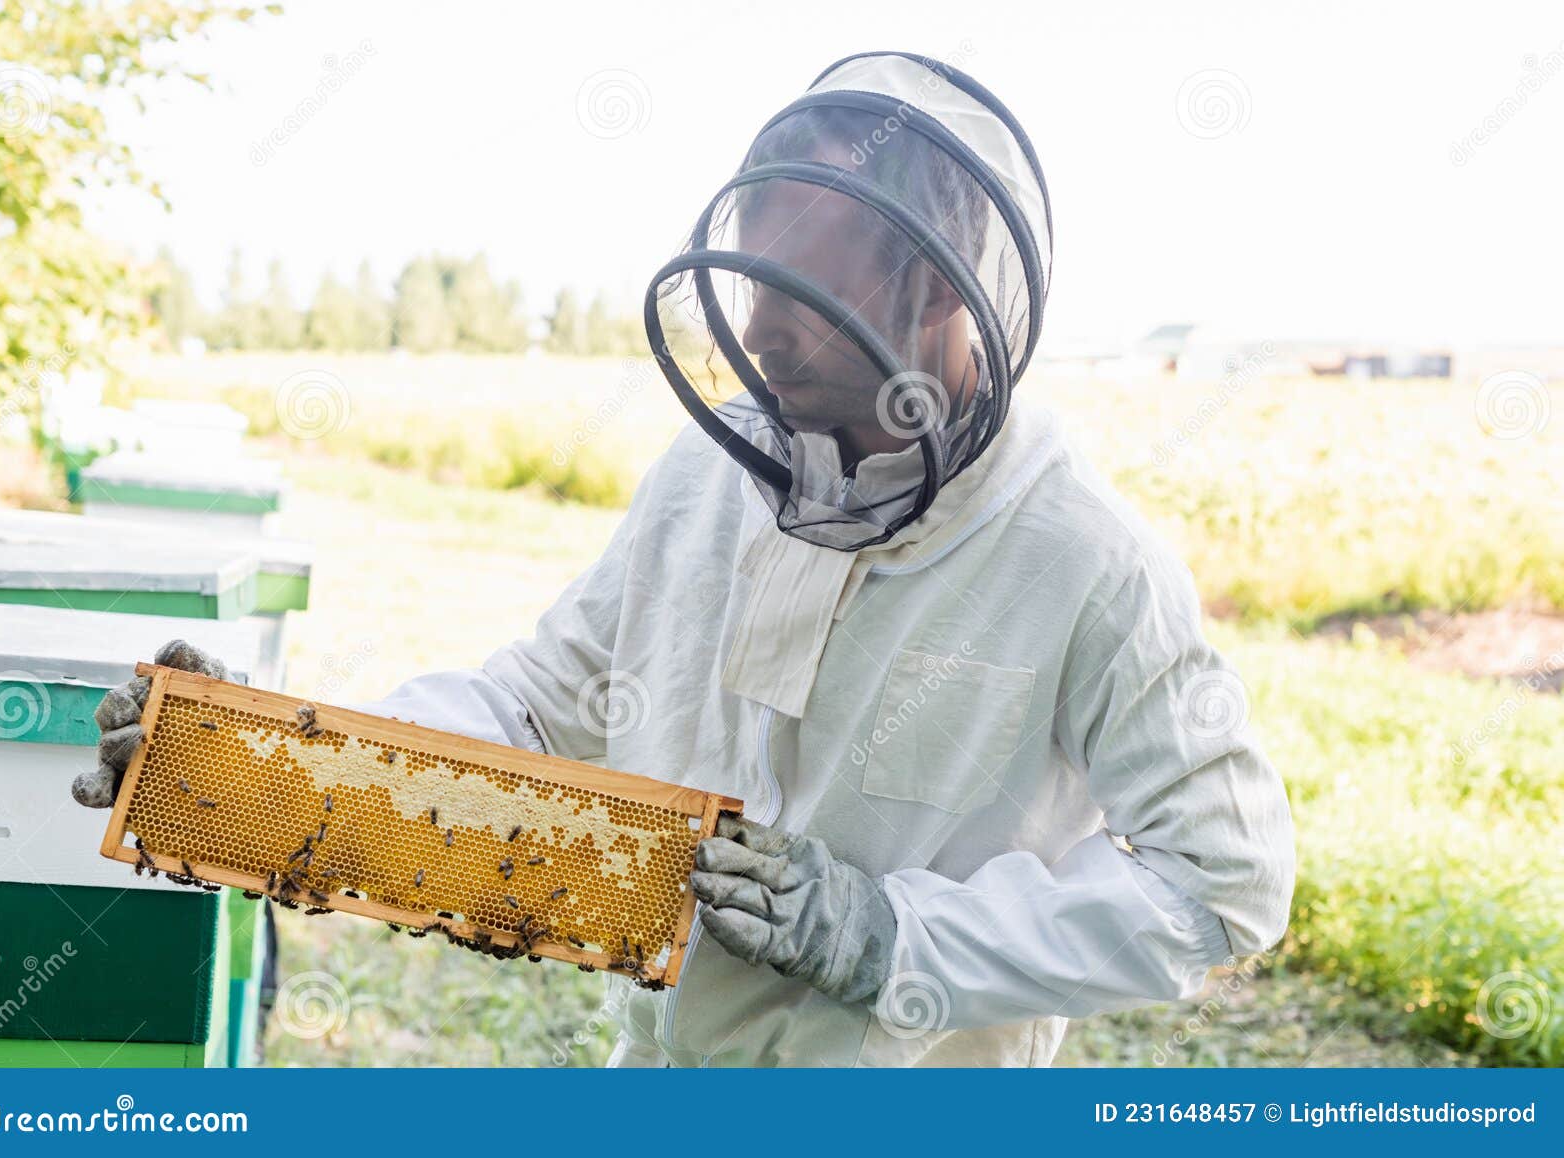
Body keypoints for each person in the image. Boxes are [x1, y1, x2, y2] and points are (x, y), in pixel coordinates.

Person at [75, 51, 1294, 1067]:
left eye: (803, 292)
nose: (757, 331)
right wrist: (285, 769)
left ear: (935, 295)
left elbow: (1225, 883)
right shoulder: (713, 473)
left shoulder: (1082, 559)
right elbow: (544, 703)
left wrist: (891, 936)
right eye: (752, 275)